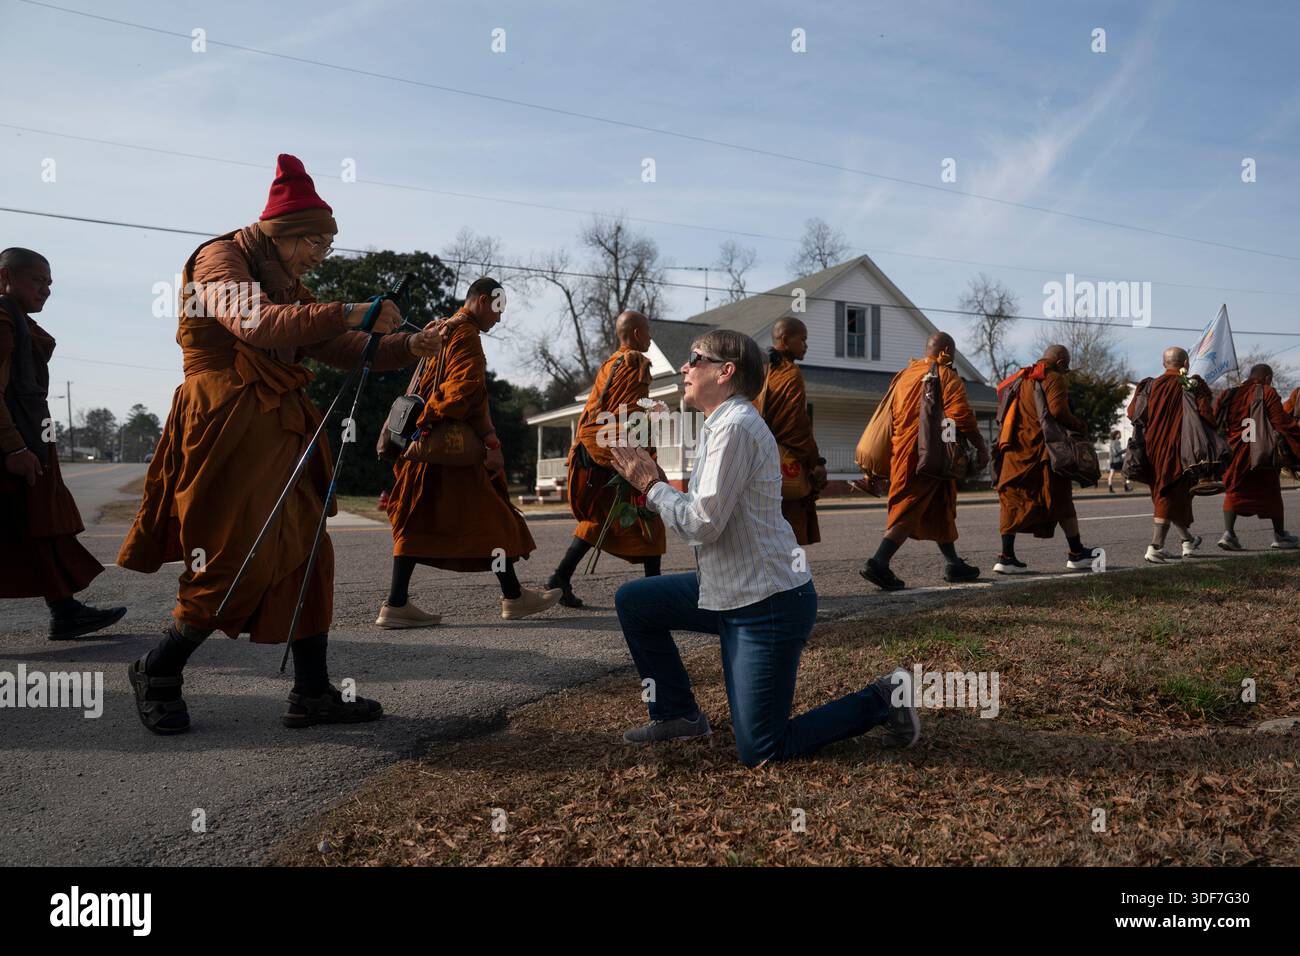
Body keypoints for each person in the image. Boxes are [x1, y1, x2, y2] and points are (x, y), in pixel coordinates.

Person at [118, 154, 443, 734]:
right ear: (284, 231)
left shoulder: (286, 279)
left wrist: (407, 349)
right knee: (232, 555)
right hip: (226, 422)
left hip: (281, 426)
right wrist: (351, 310)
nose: (319, 257)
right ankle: (159, 668)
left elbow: (339, 346)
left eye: (324, 247)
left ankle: (312, 692)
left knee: (308, 553)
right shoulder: (219, 259)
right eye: (314, 243)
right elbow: (257, 325)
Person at [608, 329, 920, 767]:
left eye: (694, 358)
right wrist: (654, 483)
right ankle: (677, 714)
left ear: (725, 371)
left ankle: (885, 698)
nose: (684, 367)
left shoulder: (735, 426)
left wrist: (652, 485)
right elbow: (706, 512)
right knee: (635, 602)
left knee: (762, 750)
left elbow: (701, 524)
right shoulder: (721, 425)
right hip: (727, 593)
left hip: (766, 605)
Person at [379, 278, 561, 625]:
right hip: (452, 451)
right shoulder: (465, 335)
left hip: (425, 450)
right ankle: (513, 597)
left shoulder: (441, 330)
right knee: (494, 522)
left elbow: (421, 387)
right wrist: (489, 441)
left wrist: (416, 426)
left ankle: (397, 603)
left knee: (417, 522)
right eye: (498, 309)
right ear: (481, 300)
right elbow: (464, 393)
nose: (499, 318)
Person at [1, 248, 126, 638]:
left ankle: (66, 611)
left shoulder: (18, 321)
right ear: (5, 277)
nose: (46, 290)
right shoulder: (3, 320)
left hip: (28, 447)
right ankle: (66, 611)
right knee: (27, 529)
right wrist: (14, 449)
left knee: (41, 530)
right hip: (12, 450)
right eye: (37, 281)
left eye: (50, 283)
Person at [544, 310, 666, 608]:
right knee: (650, 517)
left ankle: (559, 578)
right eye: (648, 332)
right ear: (637, 334)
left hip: (592, 448)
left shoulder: (611, 363)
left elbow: (612, 407)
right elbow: (633, 415)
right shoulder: (637, 361)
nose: (650, 337)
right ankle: (656, 596)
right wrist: (649, 459)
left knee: (599, 517)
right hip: (615, 447)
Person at [859, 332, 990, 591]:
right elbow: (960, 416)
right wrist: (980, 447)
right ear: (948, 350)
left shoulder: (905, 375)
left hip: (903, 452)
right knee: (909, 509)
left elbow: (890, 416)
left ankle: (953, 564)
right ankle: (879, 562)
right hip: (928, 455)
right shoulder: (944, 374)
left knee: (939, 507)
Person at [992, 346, 1097, 573]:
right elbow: (1058, 411)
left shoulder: (1022, 379)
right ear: (1060, 363)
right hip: (1042, 451)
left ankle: (1006, 557)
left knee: (1011, 500)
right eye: (1066, 368)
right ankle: (1077, 553)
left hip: (1015, 449)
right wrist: (1079, 425)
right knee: (1061, 498)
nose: (1066, 372)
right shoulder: (1052, 377)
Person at [1128, 347, 1214, 563]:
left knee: (1174, 495)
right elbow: (1207, 415)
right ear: (1185, 363)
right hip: (1182, 449)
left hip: (1152, 449)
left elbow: (1133, 414)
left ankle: (1188, 542)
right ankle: (1155, 547)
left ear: (1163, 362)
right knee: (1168, 495)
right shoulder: (1193, 384)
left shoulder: (1149, 385)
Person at [1213, 364, 1300, 550]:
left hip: (1235, 452)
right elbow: (1280, 422)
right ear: (1267, 378)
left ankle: (1228, 533)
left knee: (1234, 490)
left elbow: (1216, 417)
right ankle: (1280, 535)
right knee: (1271, 492)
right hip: (1262, 454)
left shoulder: (1229, 393)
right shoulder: (1267, 392)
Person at [756, 317, 826, 547]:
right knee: (789, 531)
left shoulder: (760, 369)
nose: (806, 345)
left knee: (763, 528)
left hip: (757, 459)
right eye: (802, 339)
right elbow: (797, 426)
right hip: (787, 463)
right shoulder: (790, 373)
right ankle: (791, 580)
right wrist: (815, 461)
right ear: (785, 340)